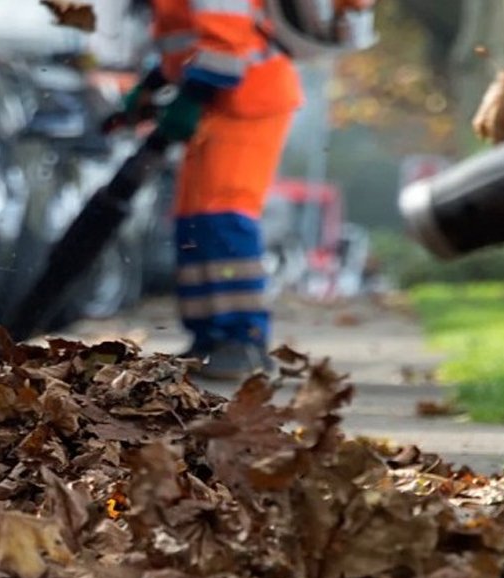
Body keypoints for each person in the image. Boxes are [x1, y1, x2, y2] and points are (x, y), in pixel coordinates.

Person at [116, 0, 372, 379]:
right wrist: (152, 85)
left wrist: (188, 101)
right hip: (221, 103)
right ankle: (209, 338)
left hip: (249, 100)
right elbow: (188, 42)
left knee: (224, 216)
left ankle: (243, 341)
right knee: (194, 221)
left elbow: (226, 43)